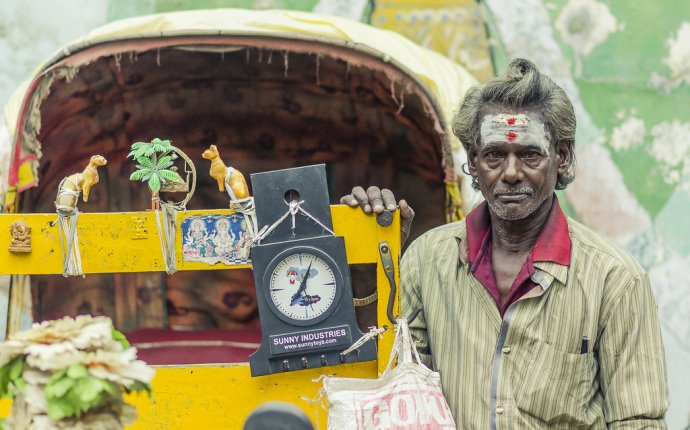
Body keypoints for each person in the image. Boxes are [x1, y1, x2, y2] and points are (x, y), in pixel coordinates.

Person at [341, 58, 669, 429]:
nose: (511, 173)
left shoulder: (616, 280)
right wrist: (373, 270)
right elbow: (393, 381)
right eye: (495, 154)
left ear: (560, 158)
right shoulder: (426, 260)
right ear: (474, 161)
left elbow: (638, 421)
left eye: (529, 154)